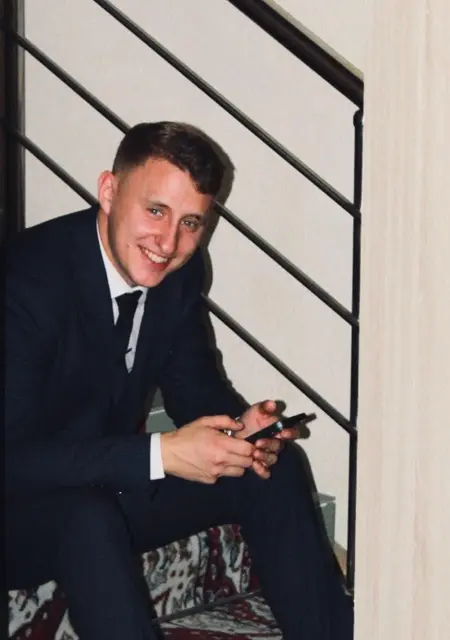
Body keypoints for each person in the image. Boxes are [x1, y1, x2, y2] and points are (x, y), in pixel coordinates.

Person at [5, 121, 353, 639]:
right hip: (19, 507)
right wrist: (159, 453)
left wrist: (240, 430)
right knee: (87, 516)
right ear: (109, 191)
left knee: (270, 470)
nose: (168, 243)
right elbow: (12, 461)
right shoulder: (24, 282)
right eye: (156, 211)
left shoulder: (179, 273)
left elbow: (196, 391)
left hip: (104, 484)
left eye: (191, 222)